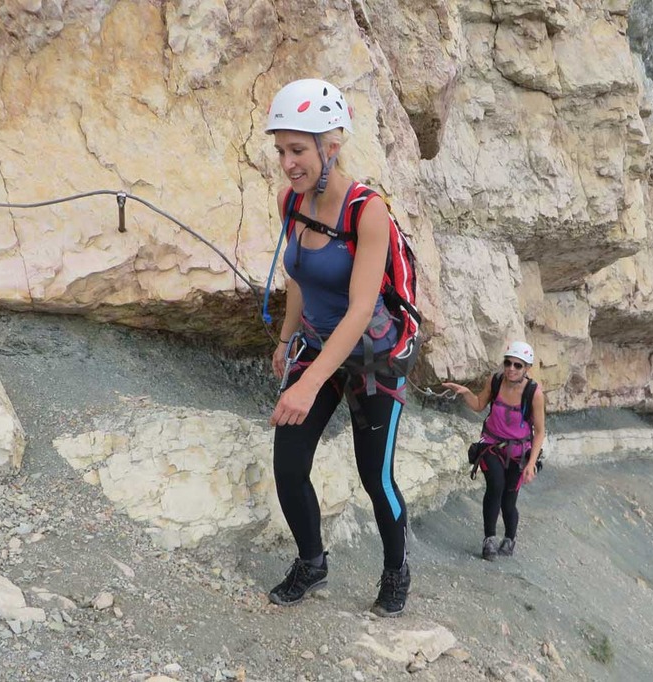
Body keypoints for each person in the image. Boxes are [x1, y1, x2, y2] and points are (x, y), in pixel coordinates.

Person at [264, 78, 411, 617]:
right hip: (318, 347)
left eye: (297, 150)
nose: (288, 163)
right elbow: (300, 276)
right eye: (281, 150)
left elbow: (357, 309)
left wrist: (307, 383)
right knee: (288, 461)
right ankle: (312, 561)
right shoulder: (292, 201)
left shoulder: (367, 212)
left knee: (376, 477)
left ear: (332, 145)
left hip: (373, 357)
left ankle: (396, 569)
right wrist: (287, 339)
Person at [441, 341, 545, 560]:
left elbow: (539, 432)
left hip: (519, 452)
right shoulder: (496, 381)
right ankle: (489, 540)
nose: (511, 369)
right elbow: (479, 404)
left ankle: (510, 538)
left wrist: (531, 463)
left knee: (509, 500)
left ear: (527, 368)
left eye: (518, 365)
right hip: (491, 445)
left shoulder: (534, 393)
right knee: (495, 485)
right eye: (508, 363)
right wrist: (466, 392)